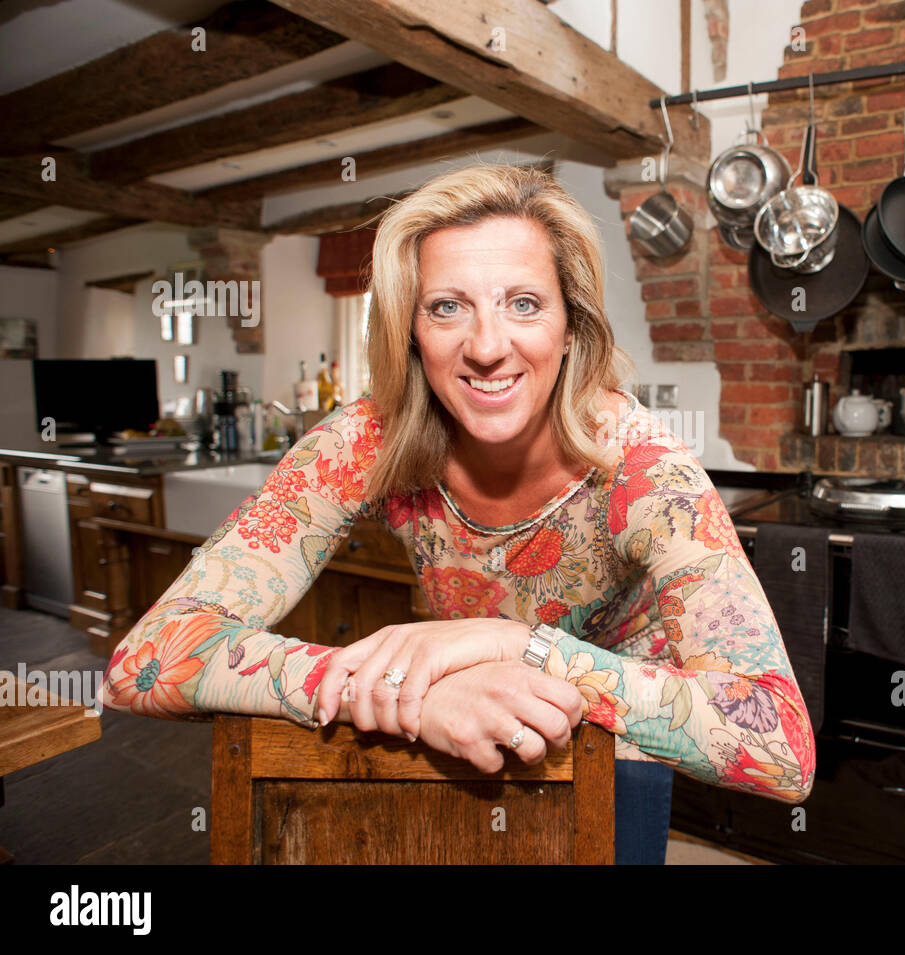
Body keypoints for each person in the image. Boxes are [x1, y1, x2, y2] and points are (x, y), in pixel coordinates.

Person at [102, 163, 816, 864]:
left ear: (572, 326)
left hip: (615, 733)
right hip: (450, 708)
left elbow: (780, 747)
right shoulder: (365, 440)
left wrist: (520, 646)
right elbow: (146, 658)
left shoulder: (647, 474)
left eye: (524, 303)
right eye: (446, 306)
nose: (485, 345)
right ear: (411, 329)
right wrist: (378, 687)